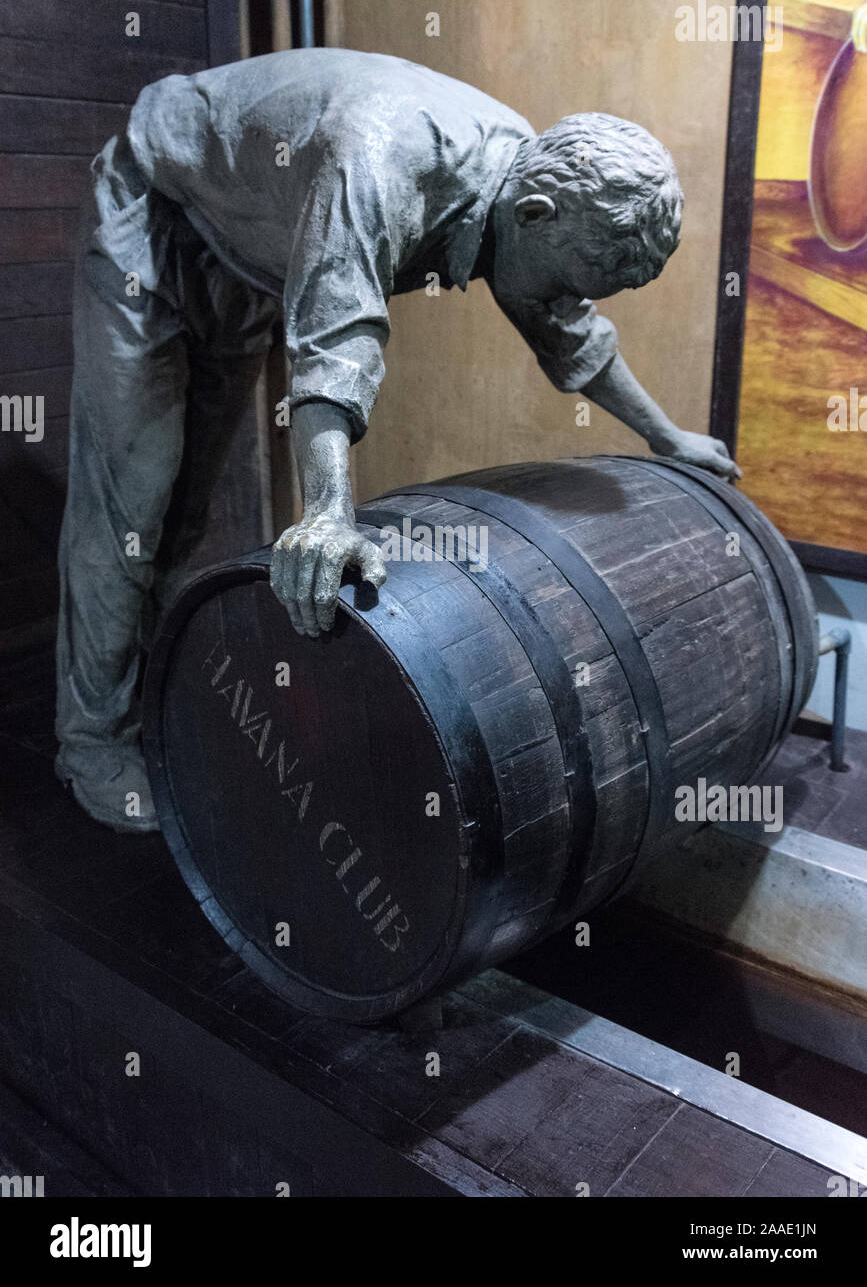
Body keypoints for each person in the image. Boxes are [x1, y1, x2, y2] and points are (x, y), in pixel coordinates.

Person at [55, 48, 739, 833]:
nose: (562, 300)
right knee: (133, 499)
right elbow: (335, 348)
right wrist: (325, 513)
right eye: (565, 279)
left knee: (185, 505)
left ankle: (157, 696)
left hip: (247, 261)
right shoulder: (377, 153)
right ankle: (92, 741)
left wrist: (666, 436)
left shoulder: (523, 173)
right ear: (535, 214)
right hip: (154, 213)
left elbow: (569, 336)